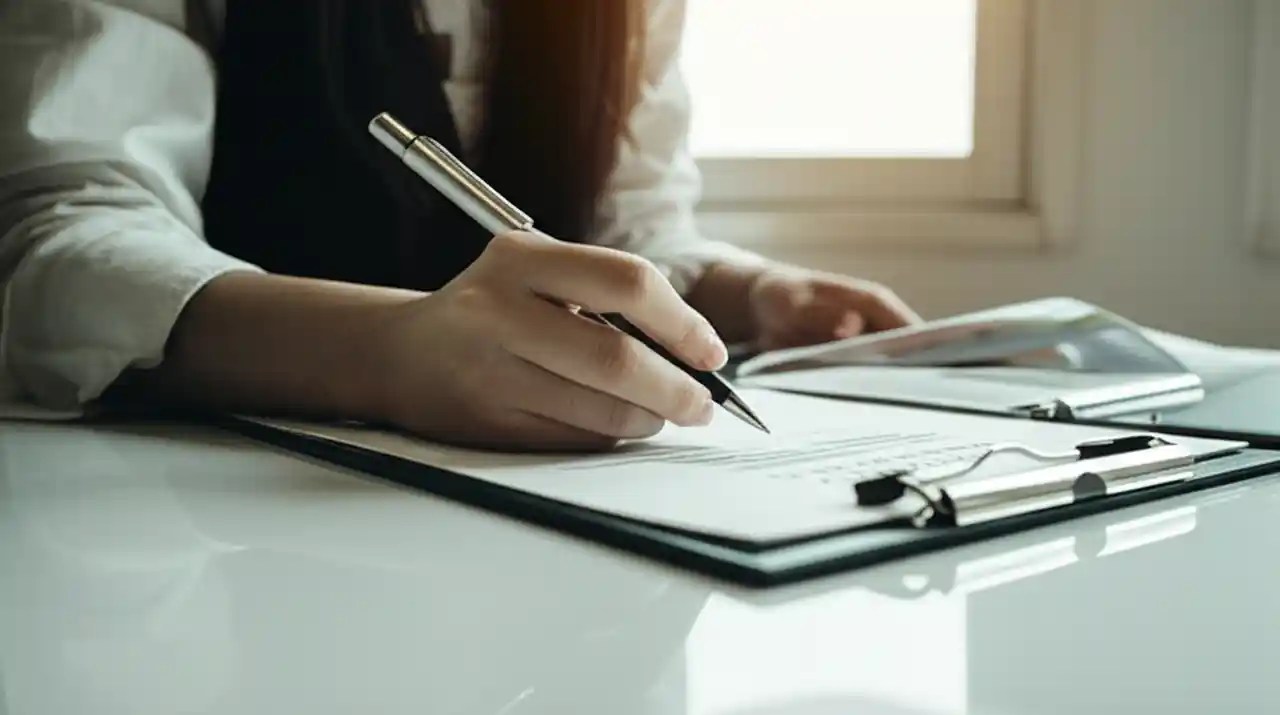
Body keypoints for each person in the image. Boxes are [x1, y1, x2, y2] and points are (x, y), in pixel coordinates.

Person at [0, 0, 919, 450]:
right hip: (216, 516)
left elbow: (630, 227)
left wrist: (748, 290)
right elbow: (53, 237)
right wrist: (382, 351)